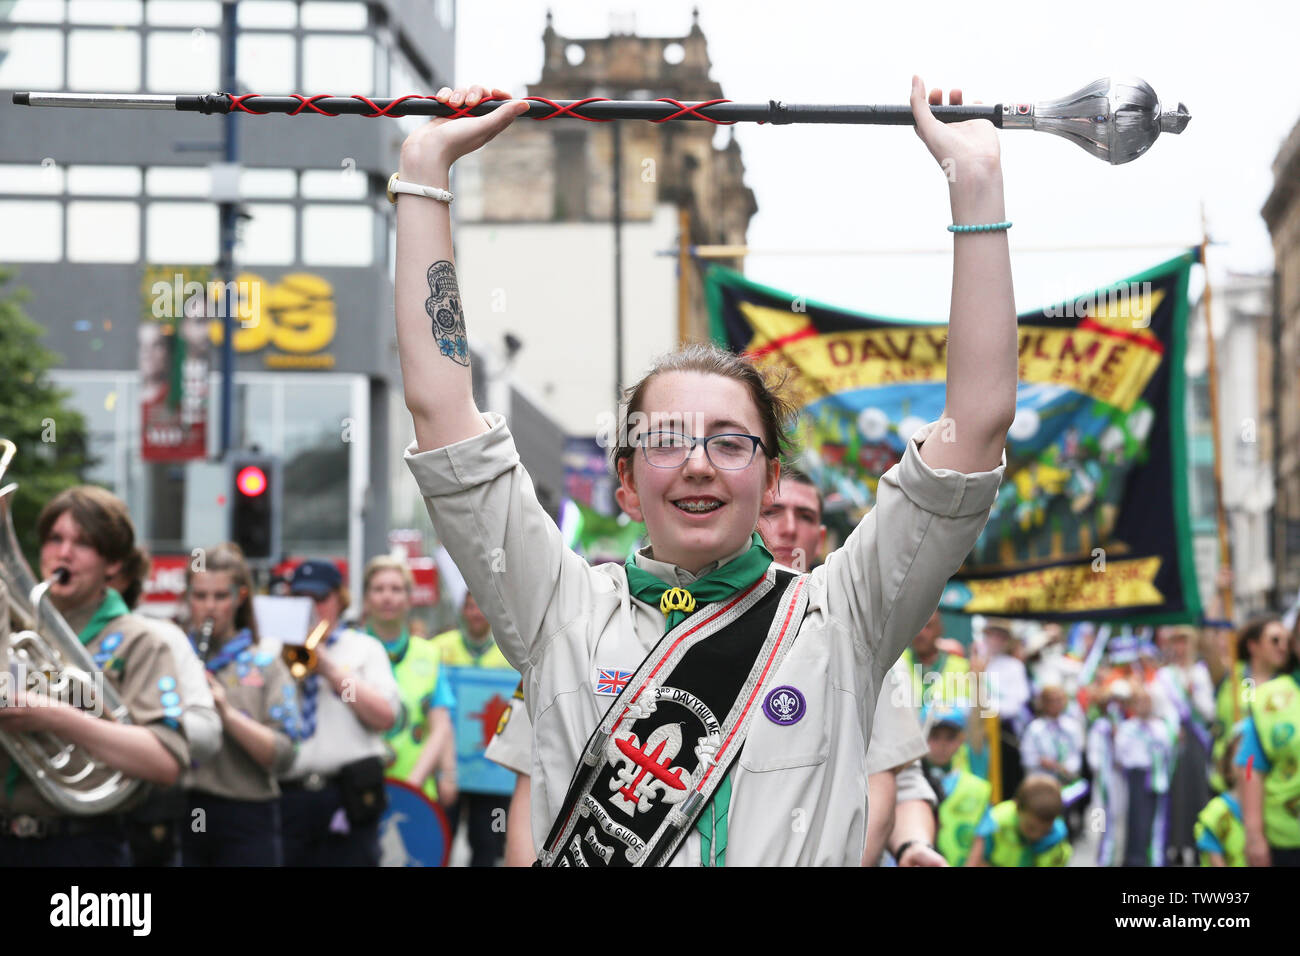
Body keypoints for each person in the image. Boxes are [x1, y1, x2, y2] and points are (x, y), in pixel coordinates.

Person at [398, 78, 1014, 866]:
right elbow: (442, 411)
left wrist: (977, 182)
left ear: (768, 477)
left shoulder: (845, 616)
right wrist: (424, 169)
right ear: (625, 482)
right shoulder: (560, 610)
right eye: (666, 439)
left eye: (730, 442)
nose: (697, 462)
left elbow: (979, 424)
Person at [0, 486, 190, 866]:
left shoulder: (142, 641)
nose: (62, 553)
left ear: (114, 564)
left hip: (83, 846)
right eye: (55, 539)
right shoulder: (17, 632)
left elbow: (165, 763)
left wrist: (54, 716)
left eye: (82, 543)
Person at [756, 468, 936, 867]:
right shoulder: (707, 623)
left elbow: (899, 778)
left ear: (820, 539)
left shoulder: (861, 634)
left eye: (804, 516)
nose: (788, 529)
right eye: (773, 511)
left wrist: (913, 846)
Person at [183, 543, 299, 866]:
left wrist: (225, 712)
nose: (209, 607)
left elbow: (285, 755)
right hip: (182, 809)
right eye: (199, 596)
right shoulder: (171, 655)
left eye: (220, 597)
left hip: (246, 814)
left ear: (240, 597)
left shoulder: (266, 664)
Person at [279, 559, 400, 866]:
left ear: (339, 600)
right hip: (287, 797)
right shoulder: (271, 650)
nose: (310, 608)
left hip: (347, 798)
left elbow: (386, 717)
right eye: (299, 598)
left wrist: (329, 669)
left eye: (319, 599)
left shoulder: (365, 648)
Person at [108, 546, 221, 866]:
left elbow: (207, 735)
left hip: (147, 813)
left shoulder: (161, 637)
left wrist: (136, 724)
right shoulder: (38, 627)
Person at [359, 555, 457, 806]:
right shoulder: (350, 649)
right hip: (357, 790)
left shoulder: (429, 654)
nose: (387, 596)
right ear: (366, 599)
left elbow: (440, 726)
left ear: (409, 599)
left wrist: (417, 784)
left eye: (396, 589)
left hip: (416, 790)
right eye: (378, 589)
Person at [432, 591, 518, 867]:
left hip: (493, 775)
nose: (476, 613)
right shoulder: (437, 648)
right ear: (462, 610)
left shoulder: (511, 650)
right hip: (447, 770)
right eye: (470, 606)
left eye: (481, 606)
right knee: (438, 839)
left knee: (488, 843)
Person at [1236, 617, 1300, 867]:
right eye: (1274, 640)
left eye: (1283, 640)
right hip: (1287, 842)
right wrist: (1254, 835)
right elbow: (1250, 766)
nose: (1280, 646)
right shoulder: (1256, 691)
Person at [1153, 625, 1214, 866]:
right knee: (1174, 793)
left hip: (1196, 740)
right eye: (1176, 642)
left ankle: (1200, 844)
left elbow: (1210, 711)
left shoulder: (1201, 673)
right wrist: (1171, 725)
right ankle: (1175, 846)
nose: (1180, 648)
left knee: (1198, 791)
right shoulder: (1164, 675)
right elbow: (1159, 707)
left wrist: (1194, 695)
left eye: (1185, 642)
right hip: (1173, 740)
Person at [1211, 616, 1287, 793]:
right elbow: (1207, 642)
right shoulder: (1230, 676)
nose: (1282, 647)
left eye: (1287, 641)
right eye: (1275, 640)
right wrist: (1219, 594)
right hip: (1227, 786)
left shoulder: (1290, 686)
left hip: (1270, 789)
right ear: (1253, 645)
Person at [921, 706, 992, 866]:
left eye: (950, 737)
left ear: (961, 740)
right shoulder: (909, 782)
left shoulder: (975, 787)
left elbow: (978, 838)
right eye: (934, 736)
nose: (942, 744)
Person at [1115, 686, 1175, 866]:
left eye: (1146, 701)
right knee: (1137, 819)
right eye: (1139, 702)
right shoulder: (1127, 727)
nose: (1143, 706)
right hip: (1137, 777)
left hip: (1159, 777)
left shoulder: (1161, 726)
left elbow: (1169, 750)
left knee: (1158, 819)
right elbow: (1121, 754)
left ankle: (1157, 857)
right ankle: (1136, 858)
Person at [966, 773, 1071, 867]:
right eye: (1031, 828)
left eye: (1045, 831)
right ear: (1017, 808)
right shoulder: (995, 825)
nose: (1036, 836)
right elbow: (978, 860)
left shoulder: (1056, 841)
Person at [1195, 733, 1245, 867]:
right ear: (1228, 768)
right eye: (1242, 754)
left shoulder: (1271, 809)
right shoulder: (1216, 813)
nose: (1249, 761)